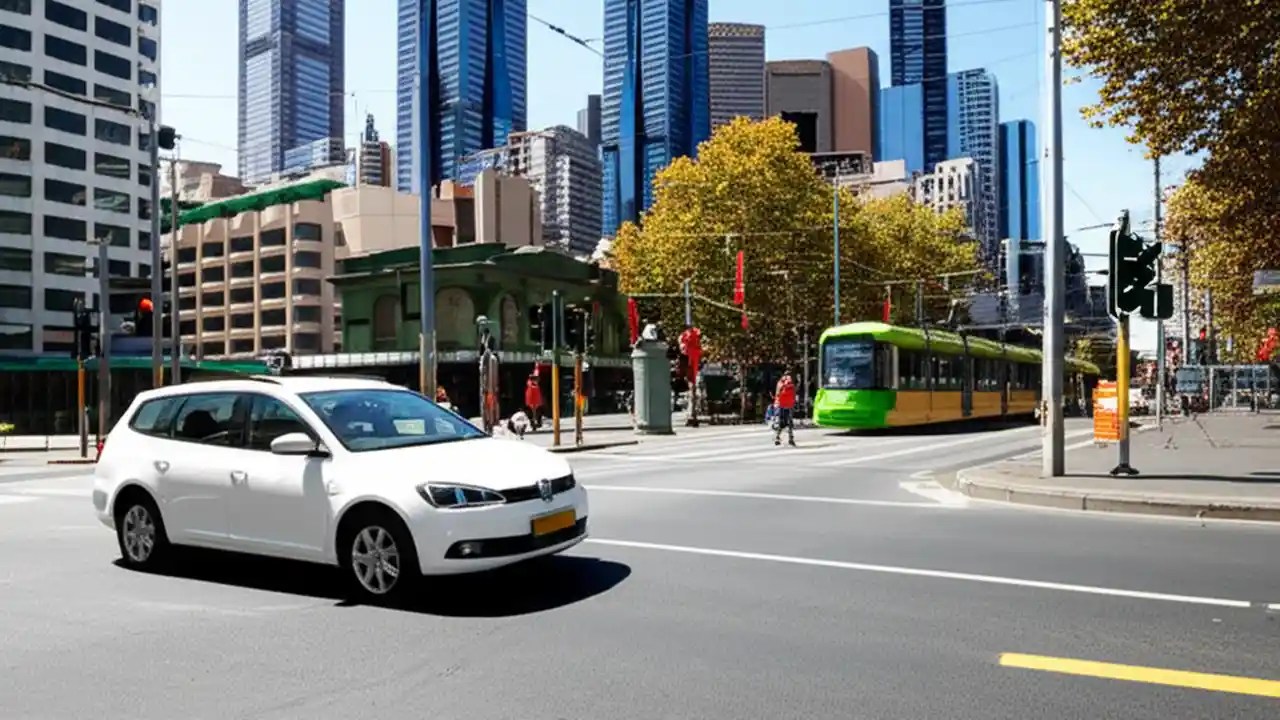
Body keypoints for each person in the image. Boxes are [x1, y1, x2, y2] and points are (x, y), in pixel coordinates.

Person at [773, 370, 797, 447]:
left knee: (781, 422)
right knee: (789, 422)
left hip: (781, 404)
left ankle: (777, 437)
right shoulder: (791, 383)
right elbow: (794, 393)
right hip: (789, 405)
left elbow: (777, 394)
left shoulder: (780, 382)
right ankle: (790, 439)